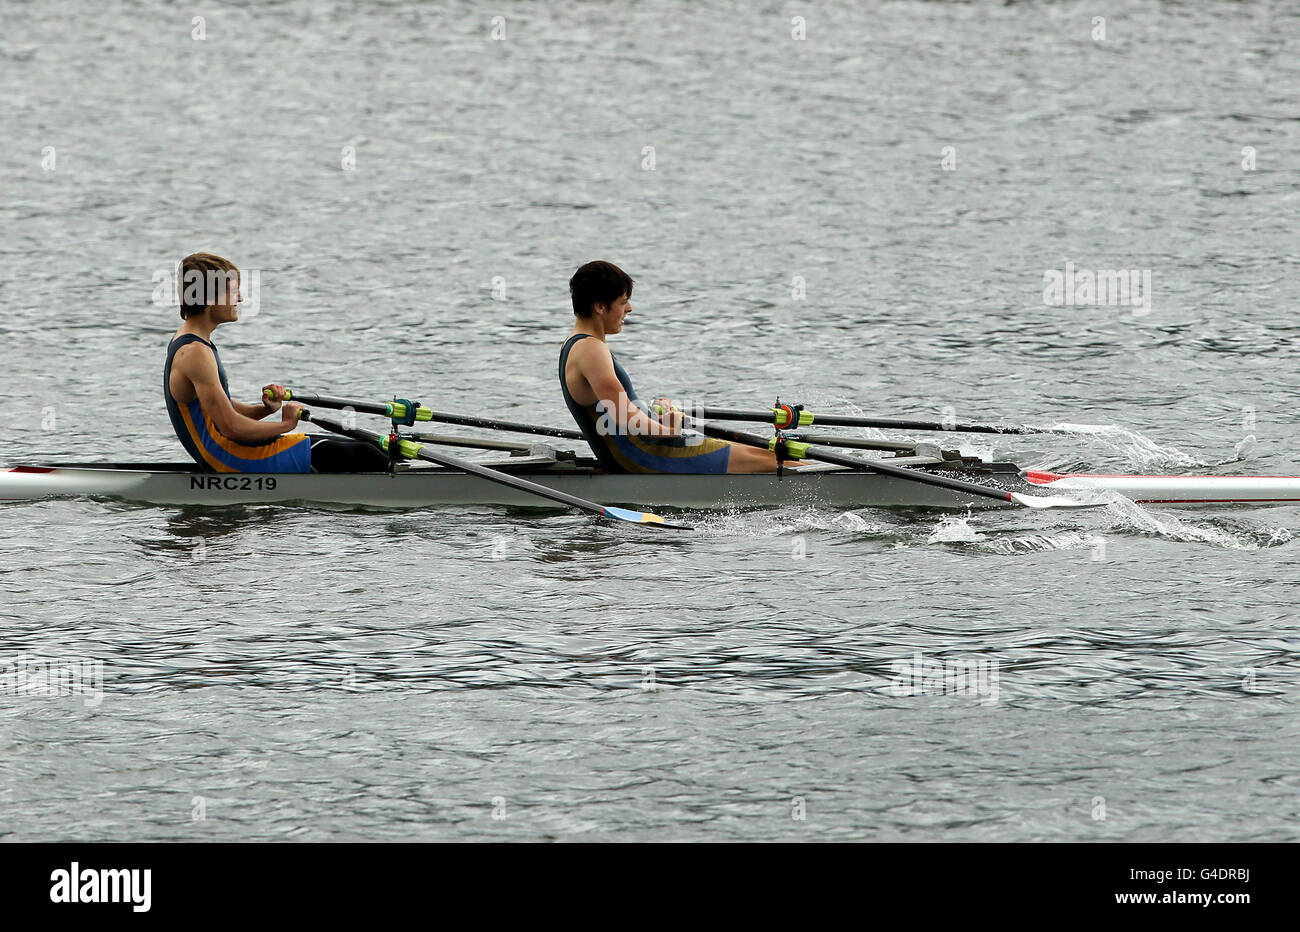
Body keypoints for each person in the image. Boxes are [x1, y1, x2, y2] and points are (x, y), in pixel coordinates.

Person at [164, 252, 389, 473]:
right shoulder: (194, 353)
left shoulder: (188, 341)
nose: (240, 298)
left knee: (369, 447)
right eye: (233, 292)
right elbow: (231, 427)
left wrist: (264, 410)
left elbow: (220, 408)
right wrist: (286, 425)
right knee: (365, 455)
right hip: (233, 459)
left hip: (236, 452)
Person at [559, 260, 789, 473]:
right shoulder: (590, 349)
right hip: (643, 455)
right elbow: (624, 416)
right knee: (778, 460)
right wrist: (670, 429)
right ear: (600, 307)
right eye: (623, 301)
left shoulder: (575, 344)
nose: (629, 309)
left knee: (764, 452)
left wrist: (657, 414)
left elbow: (621, 411)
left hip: (644, 450)